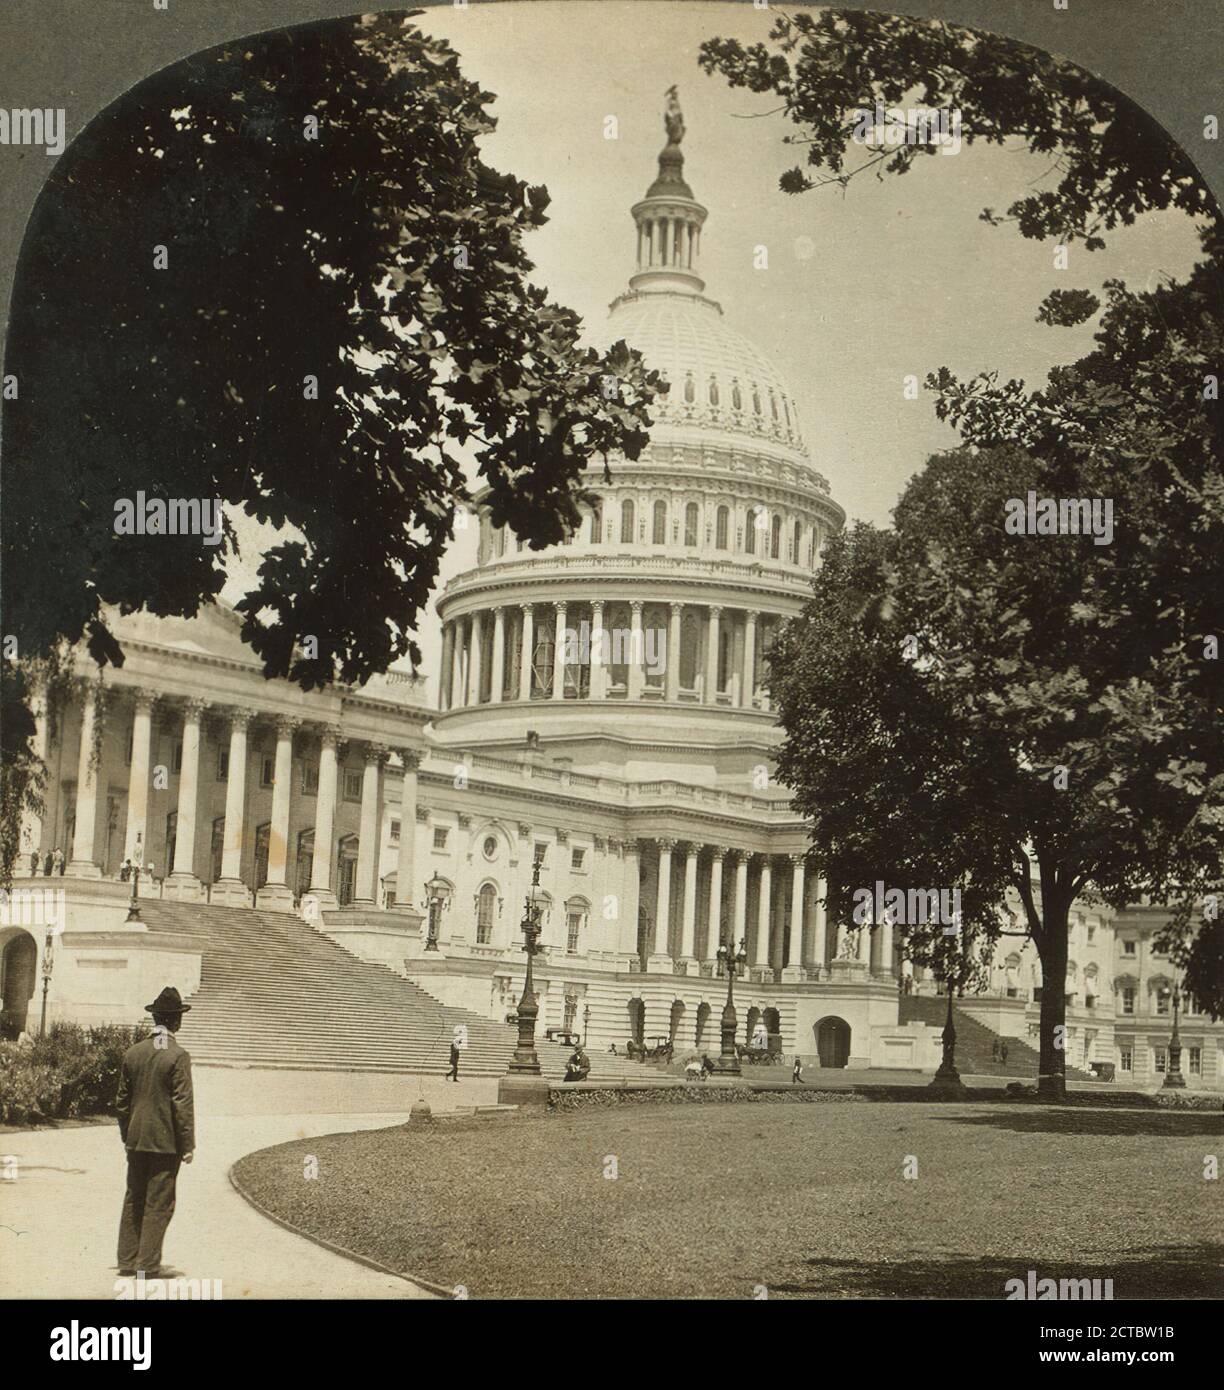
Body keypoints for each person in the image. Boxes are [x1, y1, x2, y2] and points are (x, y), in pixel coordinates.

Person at [115, 986, 195, 1278]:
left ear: (155, 1019)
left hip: (136, 1140)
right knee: (159, 1202)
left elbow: (121, 1103)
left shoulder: (133, 1053)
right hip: (165, 1143)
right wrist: (187, 1144)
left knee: (134, 1196)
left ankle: (127, 1261)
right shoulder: (177, 1055)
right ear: (176, 1022)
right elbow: (181, 1103)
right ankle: (147, 1265)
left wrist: (128, 1136)